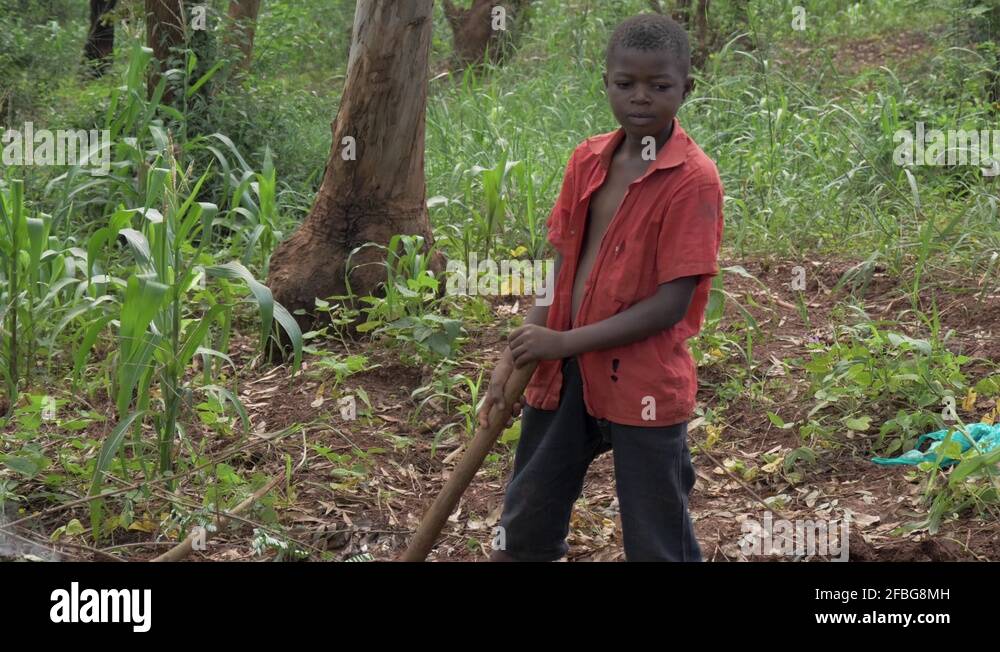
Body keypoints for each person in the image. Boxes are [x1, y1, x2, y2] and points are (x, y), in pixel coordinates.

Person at [476, 13, 724, 562]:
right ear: (606, 84)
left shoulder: (693, 180)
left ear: (687, 87)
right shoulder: (587, 160)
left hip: (643, 380)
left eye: (659, 86)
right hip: (561, 375)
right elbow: (562, 263)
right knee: (526, 524)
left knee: (657, 537)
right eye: (625, 83)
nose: (641, 98)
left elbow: (670, 305)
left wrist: (564, 342)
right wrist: (518, 355)